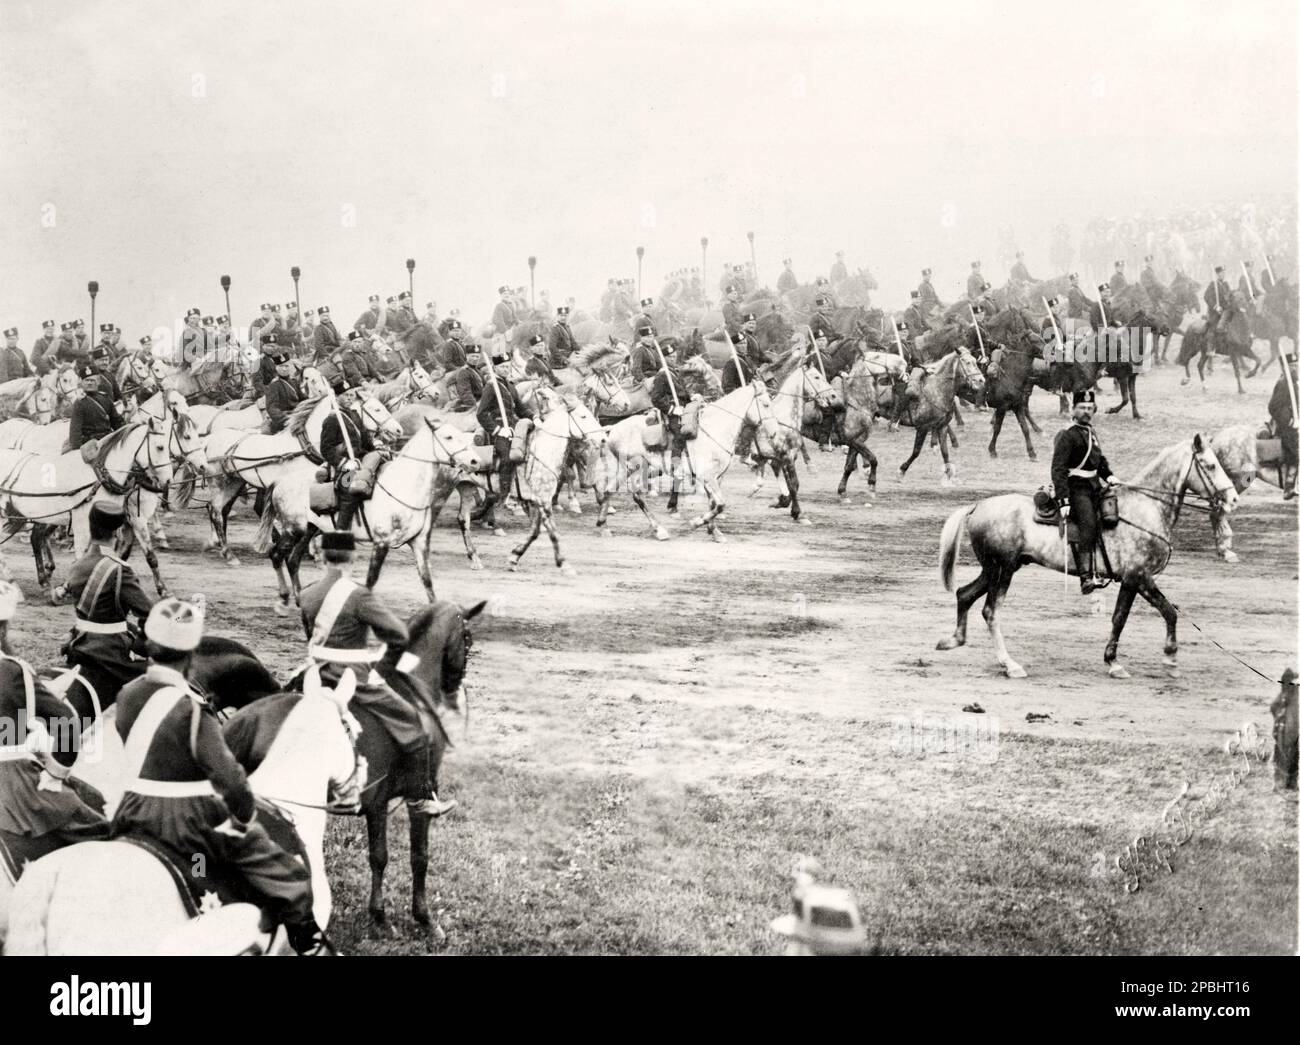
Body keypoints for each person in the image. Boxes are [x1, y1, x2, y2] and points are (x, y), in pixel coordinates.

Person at [112, 597, 331, 955]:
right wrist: (243, 819)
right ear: (191, 652)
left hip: (130, 812)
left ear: (150, 645)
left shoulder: (127, 694)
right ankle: (308, 941)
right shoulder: (192, 710)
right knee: (284, 871)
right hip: (187, 822)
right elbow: (230, 779)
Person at [300, 531, 455, 819]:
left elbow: (311, 636)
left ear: (321, 557)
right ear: (353, 558)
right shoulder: (359, 595)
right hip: (352, 678)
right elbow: (398, 634)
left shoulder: (306, 593)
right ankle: (421, 797)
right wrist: (378, 653)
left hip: (313, 674)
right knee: (415, 724)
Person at [0, 580, 110, 853]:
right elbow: (66, 724)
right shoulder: (14, 671)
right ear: (3, 628)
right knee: (100, 830)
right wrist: (54, 772)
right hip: (11, 783)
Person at [52, 502, 155, 704]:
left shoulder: (78, 564)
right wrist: (185, 615)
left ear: (90, 527)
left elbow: (57, 596)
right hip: (111, 655)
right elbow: (151, 615)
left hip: (79, 645)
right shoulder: (119, 569)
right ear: (117, 532)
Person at [1051, 389, 1115, 593]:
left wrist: (1109, 475)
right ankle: (1085, 576)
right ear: (1074, 409)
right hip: (1077, 489)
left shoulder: (1090, 431)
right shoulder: (1067, 435)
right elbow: (1058, 469)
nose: (1087, 412)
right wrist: (1064, 501)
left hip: (1095, 486)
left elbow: (1098, 460)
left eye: (1090, 408)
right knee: (1088, 525)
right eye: (1082, 408)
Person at [476, 350, 535, 525]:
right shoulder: (490, 386)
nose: (505, 369)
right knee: (508, 457)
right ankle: (504, 496)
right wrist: (497, 430)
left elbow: (520, 410)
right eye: (501, 367)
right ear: (495, 368)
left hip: (513, 428)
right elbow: (481, 414)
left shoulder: (509, 386)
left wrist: (534, 417)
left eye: (507, 366)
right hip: (498, 431)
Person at [320, 376, 385, 530]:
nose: (349, 399)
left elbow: (365, 441)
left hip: (362, 461)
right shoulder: (332, 419)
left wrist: (376, 445)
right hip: (346, 468)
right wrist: (344, 463)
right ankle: (340, 535)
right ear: (336, 397)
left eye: (351, 395)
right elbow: (326, 449)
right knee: (349, 491)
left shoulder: (354, 415)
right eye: (345, 396)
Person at [649, 348, 701, 512]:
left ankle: (694, 472)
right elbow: (656, 398)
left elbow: (682, 394)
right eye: (669, 356)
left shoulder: (674, 372)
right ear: (663, 358)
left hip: (683, 409)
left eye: (674, 355)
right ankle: (676, 466)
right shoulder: (662, 375)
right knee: (682, 435)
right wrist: (672, 409)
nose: (673, 358)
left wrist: (691, 397)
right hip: (671, 415)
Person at [66, 364, 123, 451]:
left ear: (99, 382)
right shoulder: (80, 402)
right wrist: (77, 450)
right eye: (86, 380)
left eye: (92, 380)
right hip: (90, 444)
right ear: (81, 382)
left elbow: (116, 421)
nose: (89, 383)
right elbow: (75, 431)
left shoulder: (105, 398)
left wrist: (124, 432)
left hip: (108, 439)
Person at [1269, 352, 1298, 499]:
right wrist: (1289, 419)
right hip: (1286, 427)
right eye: (1292, 367)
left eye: (1296, 366)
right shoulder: (1283, 384)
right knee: (1296, 454)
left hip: (1295, 424)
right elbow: (1273, 407)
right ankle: (1288, 487)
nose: (1295, 369)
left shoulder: (1294, 383)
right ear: (1285, 368)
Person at [263, 350, 303, 433]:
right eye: (281, 366)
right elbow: (271, 408)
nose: (284, 369)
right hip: (284, 421)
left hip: (298, 416)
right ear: (276, 367)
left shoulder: (294, 382)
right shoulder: (274, 385)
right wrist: (285, 418)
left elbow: (303, 398)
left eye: (286, 366)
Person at [1203, 265, 1233, 347]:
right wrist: (1216, 307)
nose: (1223, 275)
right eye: (1221, 273)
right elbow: (1206, 296)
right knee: (1213, 326)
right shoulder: (1213, 284)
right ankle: (1211, 348)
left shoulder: (1226, 284)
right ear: (1217, 274)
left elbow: (1230, 295)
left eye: (1224, 273)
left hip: (1226, 309)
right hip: (1215, 311)